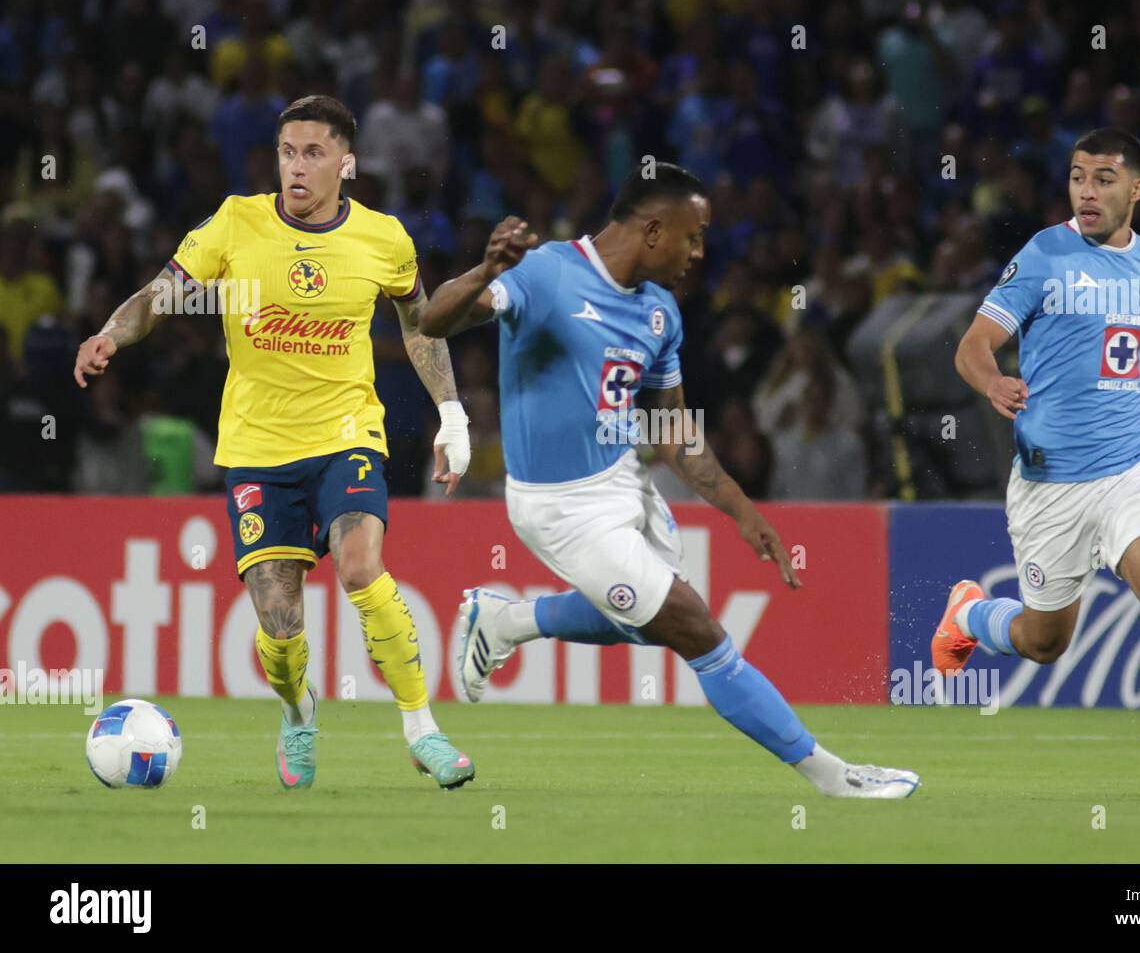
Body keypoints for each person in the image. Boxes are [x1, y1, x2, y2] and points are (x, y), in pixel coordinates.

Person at [420, 164, 920, 799]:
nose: (699, 253)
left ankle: (507, 620)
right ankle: (831, 776)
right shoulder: (547, 271)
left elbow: (676, 432)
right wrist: (489, 270)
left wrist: (741, 510)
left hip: (625, 484)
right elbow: (433, 320)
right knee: (698, 630)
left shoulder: (660, 313)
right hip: (560, 506)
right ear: (653, 230)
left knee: (640, 622)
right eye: (694, 236)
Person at [73, 95, 476, 791]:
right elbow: (159, 294)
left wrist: (453, 411)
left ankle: (422, 730)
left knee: (359, 568)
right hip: (258, 446)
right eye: (288, 151)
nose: (297, 166)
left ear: (346, 163)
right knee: (280, 619)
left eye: (314, 153)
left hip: (347, 431)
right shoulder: (237, 222)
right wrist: (113, 330)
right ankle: (297, 709)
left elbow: (420, 324)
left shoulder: (385, 238)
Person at [936, 128, 1140, 802]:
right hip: (1049, 486)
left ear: (1136, 190)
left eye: (1104, 179)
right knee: (1044, 641)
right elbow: (975, 342)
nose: (1087, 191)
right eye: (1079, 176)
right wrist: (992, 381)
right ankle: (968, 614)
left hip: (1130, 468)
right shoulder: (1046, 253)